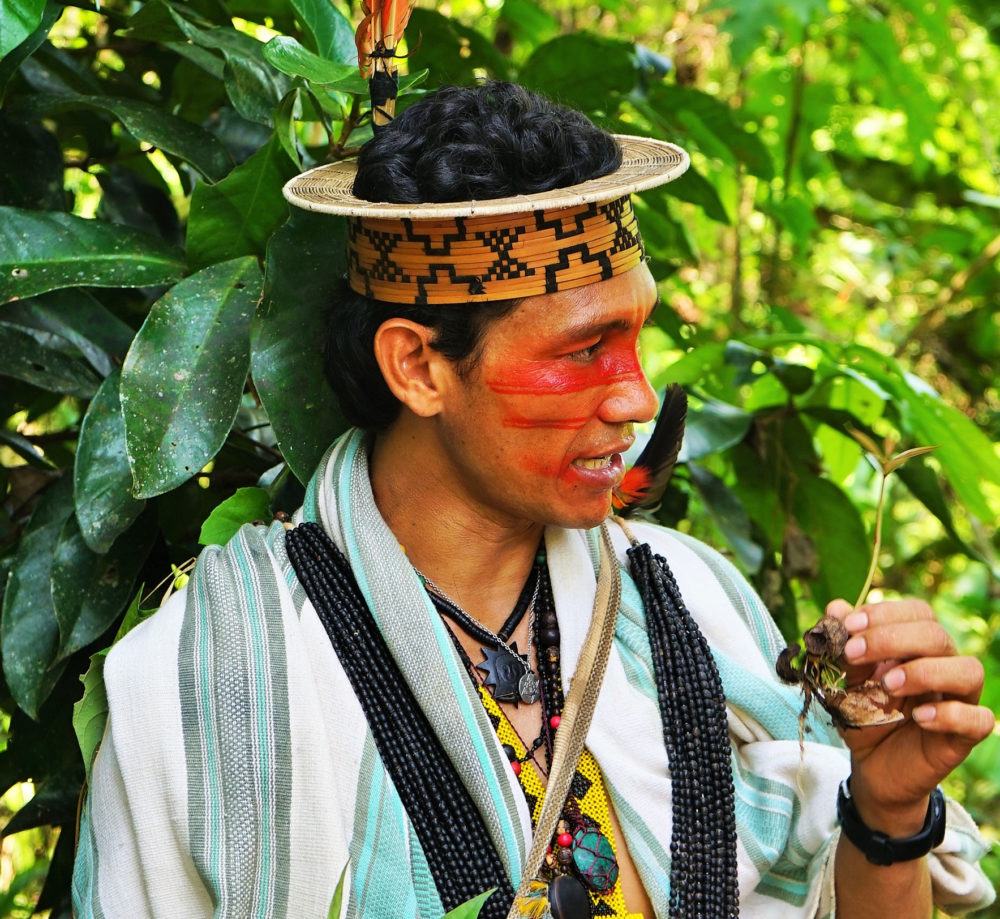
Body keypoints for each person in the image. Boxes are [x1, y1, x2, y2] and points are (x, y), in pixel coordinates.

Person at [72, 82, 995, 919]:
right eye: (586, 348)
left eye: (639, 336)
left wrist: (887, 808)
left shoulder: (689, 598)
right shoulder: (208, 684)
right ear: (420, 365)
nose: (637, 396)